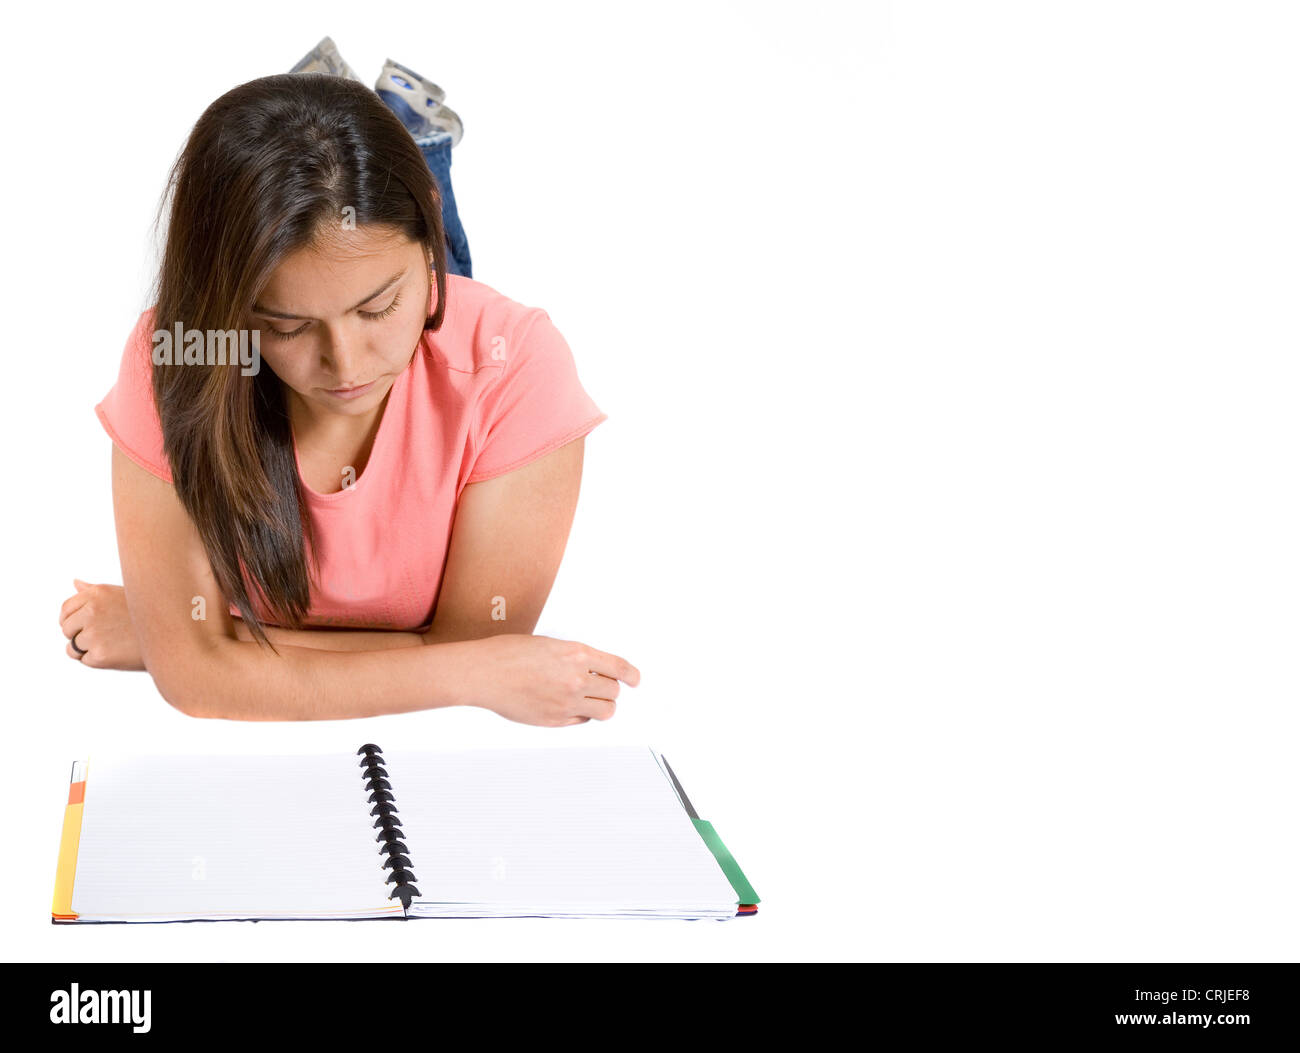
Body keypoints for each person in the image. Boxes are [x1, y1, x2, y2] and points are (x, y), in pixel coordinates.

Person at [57, 40, 639, 725]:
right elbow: (462, 667)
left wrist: (186, 639)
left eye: (376, 308)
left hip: (437, 292)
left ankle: (406, 148)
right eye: (288, 325)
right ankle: (363, 134)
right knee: (358, 255)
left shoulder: (513, 361)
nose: (347, 364)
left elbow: (466, 653)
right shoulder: (180, 353)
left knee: (440, 283)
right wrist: (185, 654)